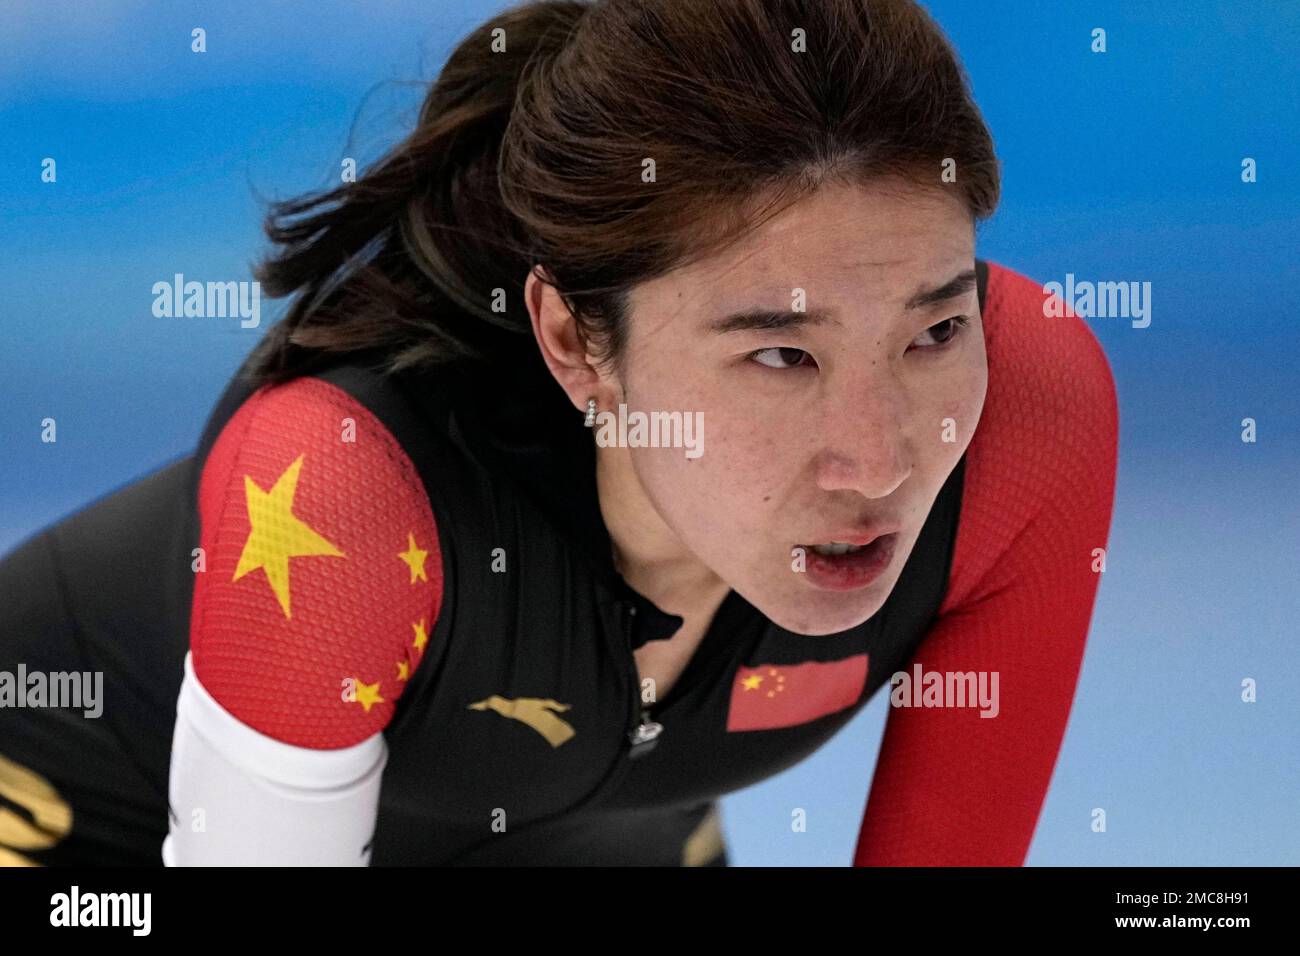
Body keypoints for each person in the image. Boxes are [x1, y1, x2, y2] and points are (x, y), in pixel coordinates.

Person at [0, 0, 1117, 867]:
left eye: (933, 331)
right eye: (781, 355)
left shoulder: (1029, 417)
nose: (881, 458)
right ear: (574, 341)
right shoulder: (340, 490)